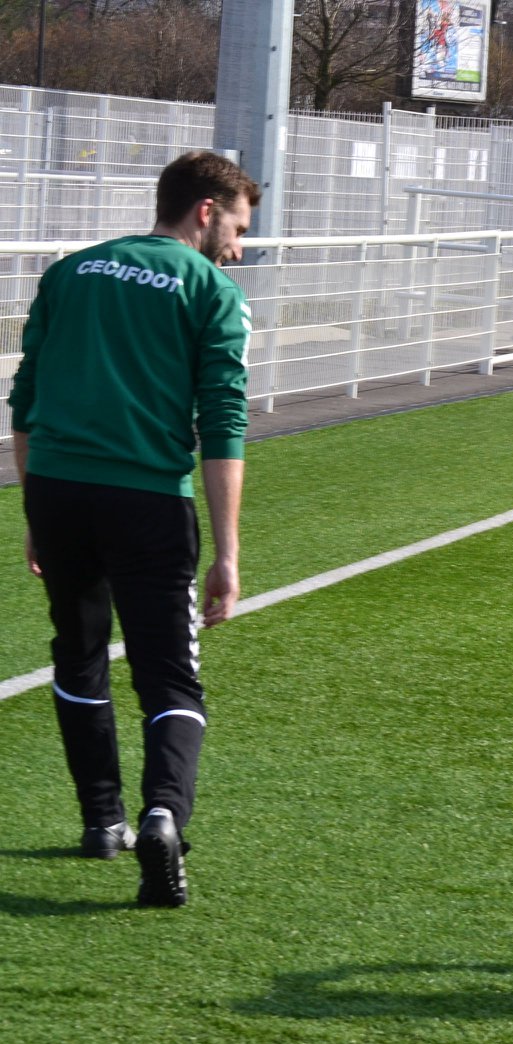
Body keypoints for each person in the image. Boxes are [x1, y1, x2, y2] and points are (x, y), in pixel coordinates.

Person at [8, 151, 258, 908]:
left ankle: (101, 821)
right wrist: (228, 552)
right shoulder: (211, 290)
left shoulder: (71, 271)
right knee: (169, 673)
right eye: (239, 228)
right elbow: (223, 425)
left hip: (56, 490)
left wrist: (32, 510)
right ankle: (161, 817)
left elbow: (25, 399)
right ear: (205, 212)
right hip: (146, 499)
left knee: (77, 654)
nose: (240, 248)